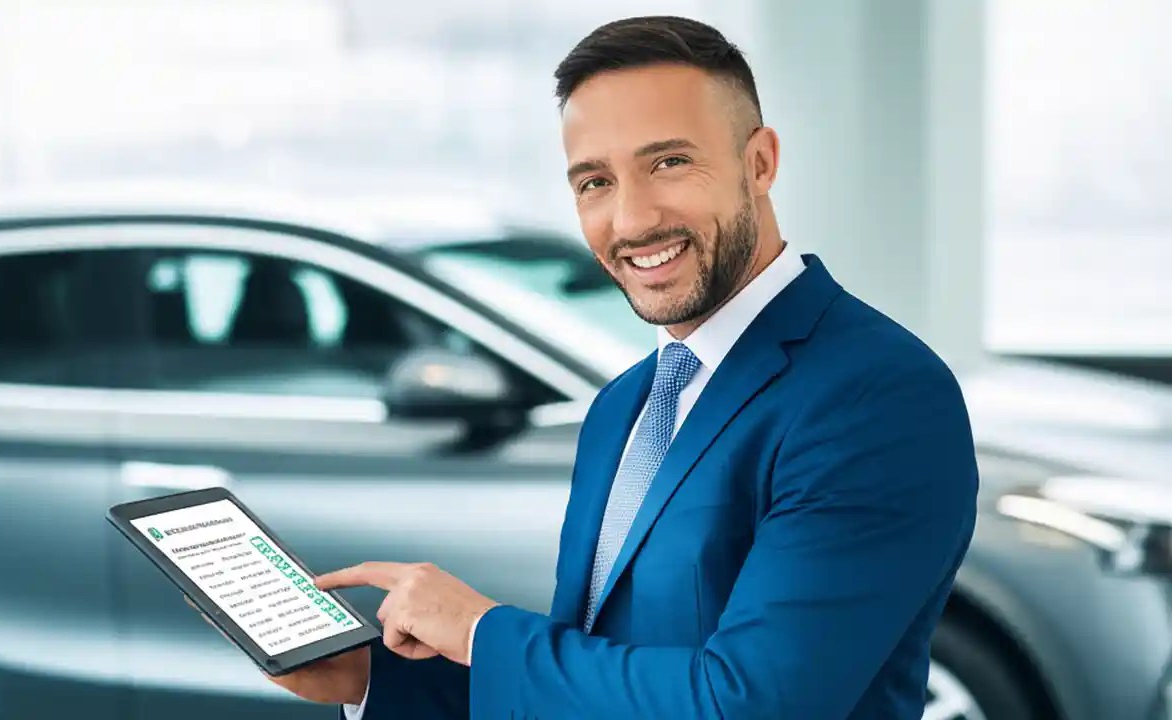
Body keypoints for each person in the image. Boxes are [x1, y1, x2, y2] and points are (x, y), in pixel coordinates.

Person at [266, 15, 978, 719]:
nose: (632, 221)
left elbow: (755, 705)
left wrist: (481, 632)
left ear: (760, 163)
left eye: (669, 163)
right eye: (595, 182)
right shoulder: (623, 407)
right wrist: (370, 681)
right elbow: (589, 689)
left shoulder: (876, 395)